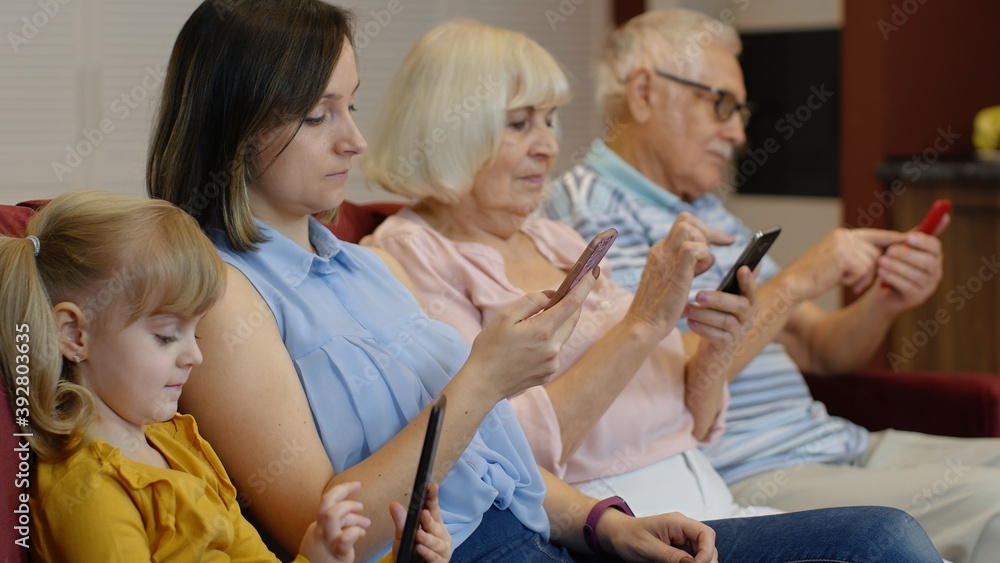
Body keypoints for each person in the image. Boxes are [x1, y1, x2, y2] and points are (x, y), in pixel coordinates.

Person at [148, 2, 740, 562]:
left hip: (543, 537)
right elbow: (324, 534)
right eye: (317, 115)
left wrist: (604, 524)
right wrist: (484, 379)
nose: (354, 140)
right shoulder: (223, 298)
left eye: (352, 106)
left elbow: (494, 462)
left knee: (806, 538)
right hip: (472, 550)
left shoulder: (368, 267)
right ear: (235, 126)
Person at [361, 19, 943, 563]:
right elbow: (504, 452)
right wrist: (645, 320)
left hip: (708, 494)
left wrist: (716, 347)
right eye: (520, 124)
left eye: (550, 121)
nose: (548, 146)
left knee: (900, 542)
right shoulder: (407, 259)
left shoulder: (554, 237)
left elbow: (692, 417)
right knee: (884, 539)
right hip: (621, 521)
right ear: (448, 129)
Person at [541, 8, 1000, 563]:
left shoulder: (707, 209)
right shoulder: (587, 218)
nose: (738, 132)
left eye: (741, 112)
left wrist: (885, 300)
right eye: (722, 104)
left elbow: (822, 348)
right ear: (643, 93)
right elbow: (669, 385)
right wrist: (799, 279)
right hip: (755, 468)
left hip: (835, 443)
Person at [0, 191, 450, 563]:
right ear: (74, 334)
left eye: (194, 333)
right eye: (166, 336)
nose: (195, 356)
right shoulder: (87, 492)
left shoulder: (176, 440)